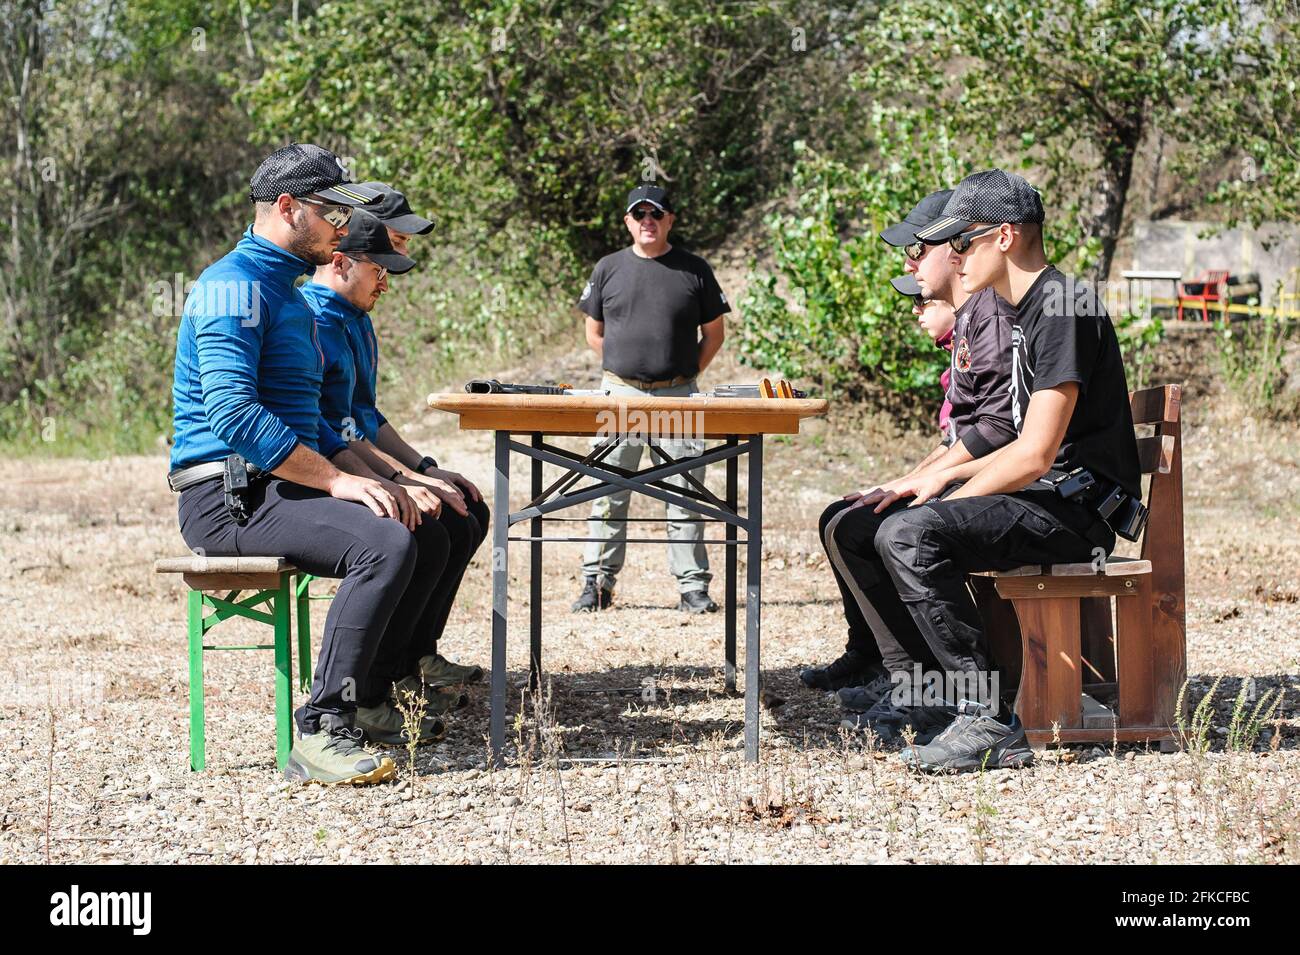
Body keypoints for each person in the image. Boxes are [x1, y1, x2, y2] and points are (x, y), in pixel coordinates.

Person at [169, 143, 444, 785]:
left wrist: (392, 479)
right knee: (381, 544)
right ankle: (323, 728)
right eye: (331, 214)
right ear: (289, 209)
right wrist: (343, 481)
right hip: (226, 498)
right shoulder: (231, 287)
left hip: (280, 485)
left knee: (413, 520)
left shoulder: (287, 294)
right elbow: (235, 417)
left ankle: (373, 699)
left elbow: (318, 423)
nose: (343, 230)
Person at [856, 168, 1141, 771]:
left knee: (911, 533)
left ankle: (986, 719)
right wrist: (935, 478)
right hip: (1044, 496)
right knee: (891, 523)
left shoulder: (1063, 307)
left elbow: (1037, 453)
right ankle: (935, 699)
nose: (952, 258)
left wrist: (945, 499)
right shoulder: (1022, 310)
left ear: (1005, 237)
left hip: (1074, 510)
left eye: (963, 241)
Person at [801, 189, 1018, 729]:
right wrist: (905, 479)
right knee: (848, 519)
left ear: (956, 246)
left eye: (919, 250)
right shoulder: (974, 316)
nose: (910, 264)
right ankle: (893, 671)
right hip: (990, 473)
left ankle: (925, 688)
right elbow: (962, 433)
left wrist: (927, 483)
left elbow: (997, 430)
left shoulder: (988, 313)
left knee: (881, 529)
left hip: (1012, 486)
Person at [301, 210, 487, 716]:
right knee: (423, 528)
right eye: (379, 269)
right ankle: (378, 684)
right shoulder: (315, 319)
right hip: (315, 469)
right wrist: (401, 480)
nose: (386, 282)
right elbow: (330, 427)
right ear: (340, 262)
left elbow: (364, 416)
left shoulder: (356, 319)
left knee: (468, 511)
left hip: (351, 459)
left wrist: (422, 468)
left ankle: (413, 659)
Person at [572, 183, 729, 614]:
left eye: (656, 214)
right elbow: (594, 331)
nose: (648, 221)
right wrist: (627, 370)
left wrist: (685, 374)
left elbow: (713, 334)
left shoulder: (694, 269)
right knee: (606, 489)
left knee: (684, 490)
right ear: (627, 221)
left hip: (679, 395)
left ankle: (693, 589)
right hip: (618, 395)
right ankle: (597, 585)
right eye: (639, 214)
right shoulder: (608, 268)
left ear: (670, 220)